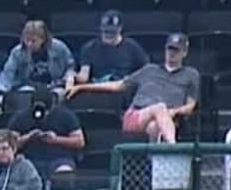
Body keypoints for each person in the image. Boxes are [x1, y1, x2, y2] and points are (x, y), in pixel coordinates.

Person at [67, 33, 201, 143]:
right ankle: (174, 150)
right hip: (136, 115)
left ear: (184, 52)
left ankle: (156, 168)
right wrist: (82, 87)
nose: (171, 54)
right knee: (159, 107)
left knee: (154, 127)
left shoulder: (191, 74)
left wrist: (173, 112)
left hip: (167, 119)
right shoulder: (150, 69)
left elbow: (190, 107)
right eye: (169, 49)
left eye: (176, 50)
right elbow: (118, 85)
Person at [7, 99, 85, 184]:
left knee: (64, 173)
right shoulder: (21, 116)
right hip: (29, 159)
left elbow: (79, 142)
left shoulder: (65, 115)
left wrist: (55, 140)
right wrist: (28, 137)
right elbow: (9, 144)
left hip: (60, 158)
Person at [0, 20, 74, 95]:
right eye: (27, 40)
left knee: (58, 94)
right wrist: (1, 92)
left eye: (33, 41)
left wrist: (67, 81)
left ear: (43, 39)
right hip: (28, 88)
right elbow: (8, 73)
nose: (29, 44)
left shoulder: (59, 48)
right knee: (25, 94)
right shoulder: (17, 52)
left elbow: (70, 67)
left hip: (55, 86)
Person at [73, 11, 148, 84]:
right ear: (101, 28)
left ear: (120, 29)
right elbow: (84, 75)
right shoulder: (89, 48)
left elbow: (146, 70)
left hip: (123, 88)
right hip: (97, 89)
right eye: (106, 31)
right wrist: (73, 77)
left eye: (112, 32)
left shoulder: (132, 47)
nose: (109, 35)